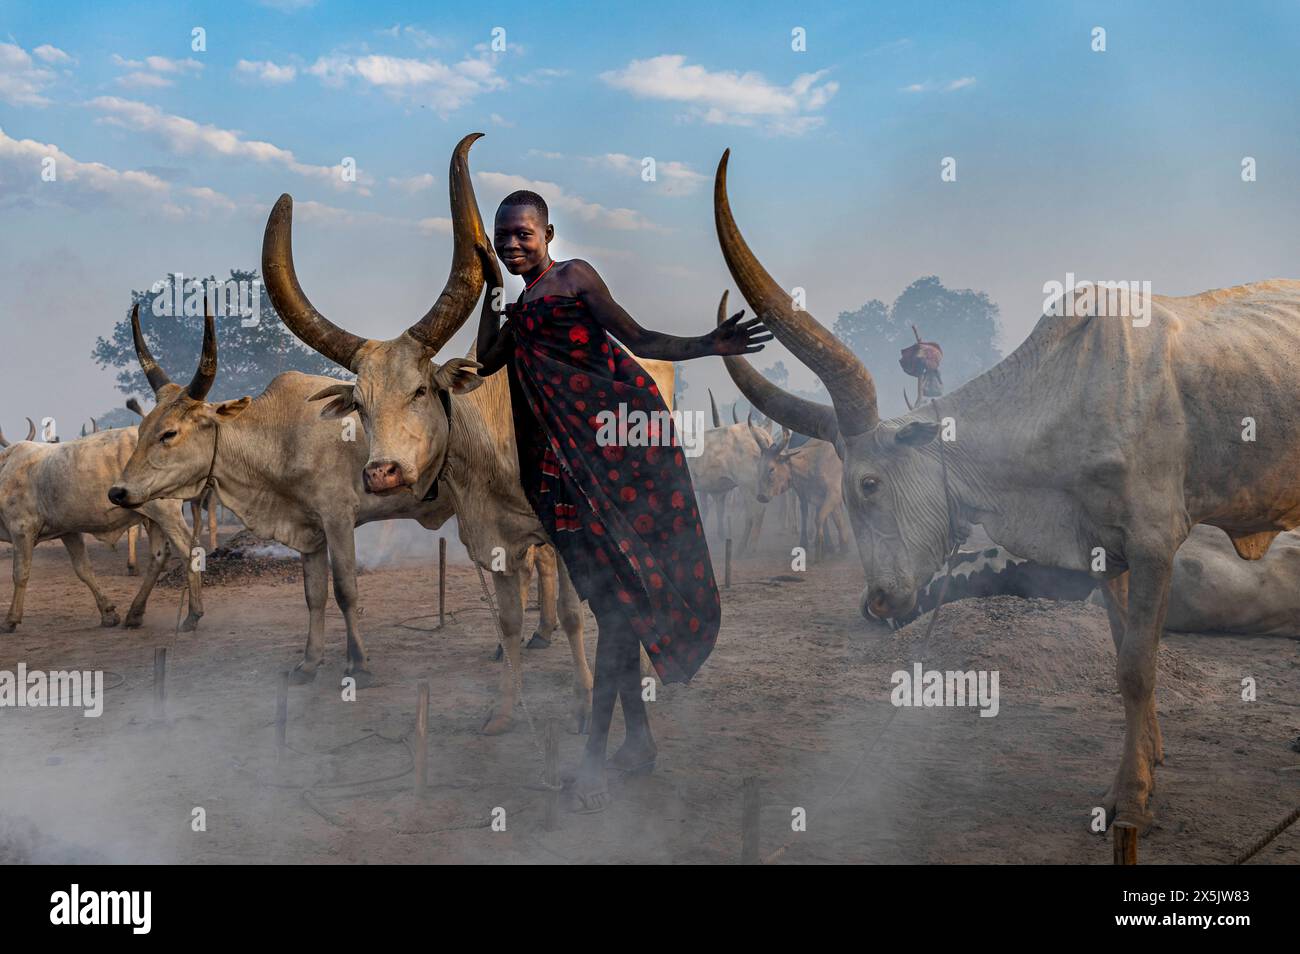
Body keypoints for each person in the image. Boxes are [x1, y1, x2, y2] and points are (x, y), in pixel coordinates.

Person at [475, 189, 771, 811]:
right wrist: (489, 297)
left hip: (621, 452)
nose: (511, 244)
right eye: (503, 236)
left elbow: (638, 336)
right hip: (567, 472)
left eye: (522, 233)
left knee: (616, 609)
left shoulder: (573, 277)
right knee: (615, 609)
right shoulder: (521, 306)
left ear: (548, 233)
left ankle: (594, 765)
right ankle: (637, 743)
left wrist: (709, 343)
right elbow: (484, 362)